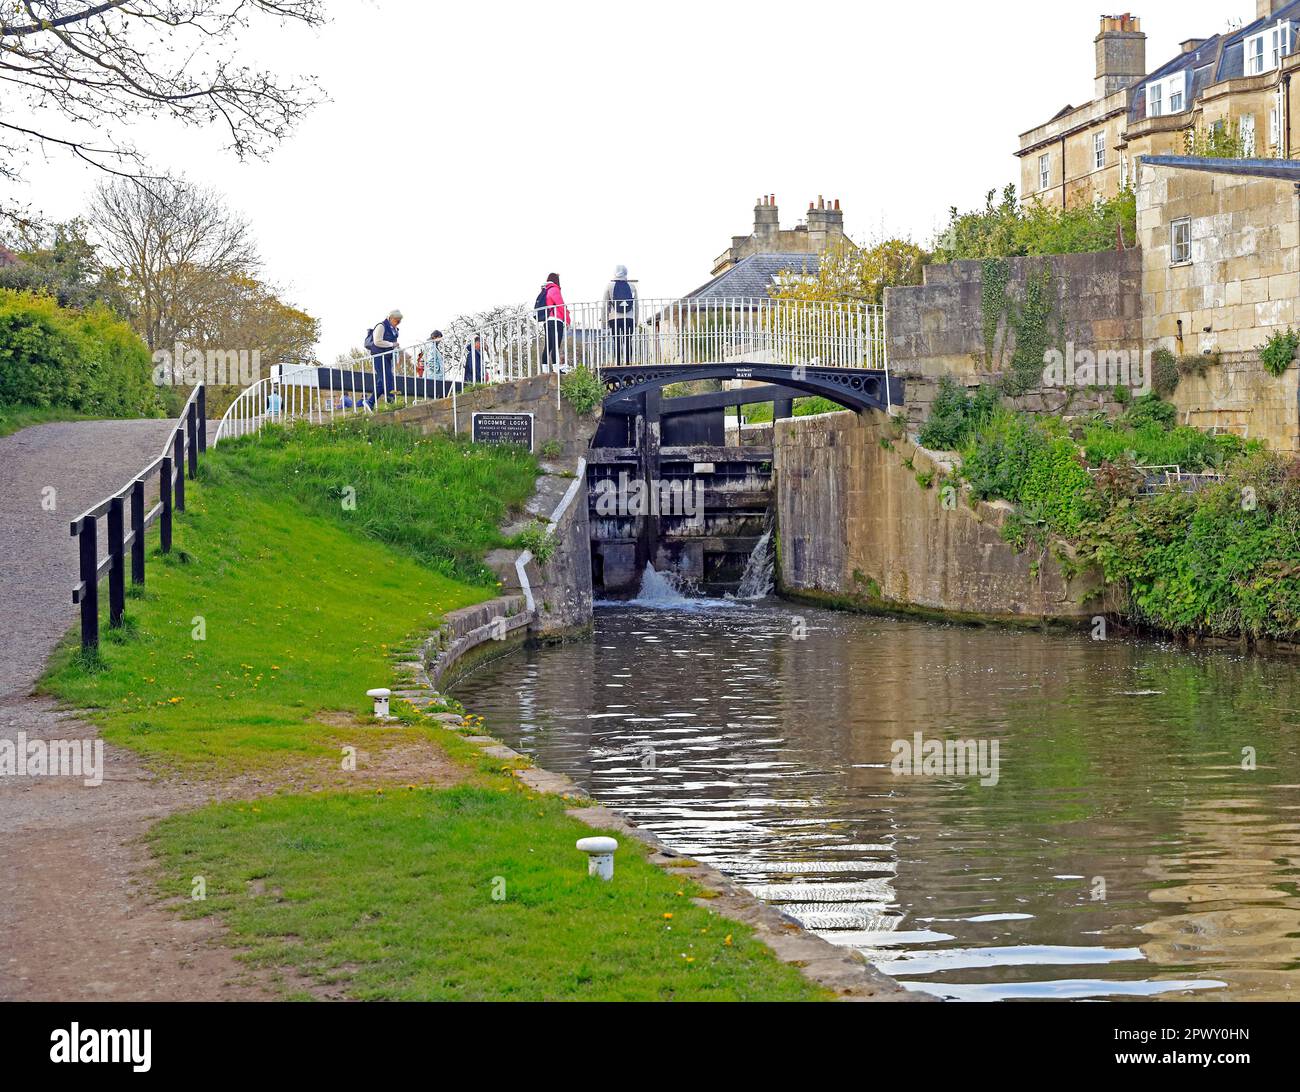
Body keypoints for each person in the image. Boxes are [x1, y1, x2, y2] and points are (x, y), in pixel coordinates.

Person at [366, 308, 402, 408]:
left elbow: (394, 344)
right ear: (390, 318)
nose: (398, 323)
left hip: (387, 357)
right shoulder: (381, 326)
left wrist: (402, 352)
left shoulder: (394, 330)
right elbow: (377, 341)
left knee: (382, 381)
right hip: (378, 356)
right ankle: (391, 403)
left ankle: (370, 402)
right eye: (396, 321)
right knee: (388, 379)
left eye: (399, 321)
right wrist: (392, 344)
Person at [537, 273, 570, 372]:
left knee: (548, 346)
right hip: (556, 320)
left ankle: (545, 369)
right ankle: (556, 369)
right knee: (556, 344)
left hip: (548, 321)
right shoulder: (554, 289)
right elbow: (561, 305)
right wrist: (567, 319)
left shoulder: (545, 290)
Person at [604, 264, 637, 364]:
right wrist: (635, 320)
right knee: (628, 341)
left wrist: (605, 321)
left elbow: (605, 305)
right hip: (629, 318)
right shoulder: (632, 286)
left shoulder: (609, 286)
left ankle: (618, 362)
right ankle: (628, 362)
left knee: (617, 341)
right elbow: (636, 305)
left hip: (614, 318)